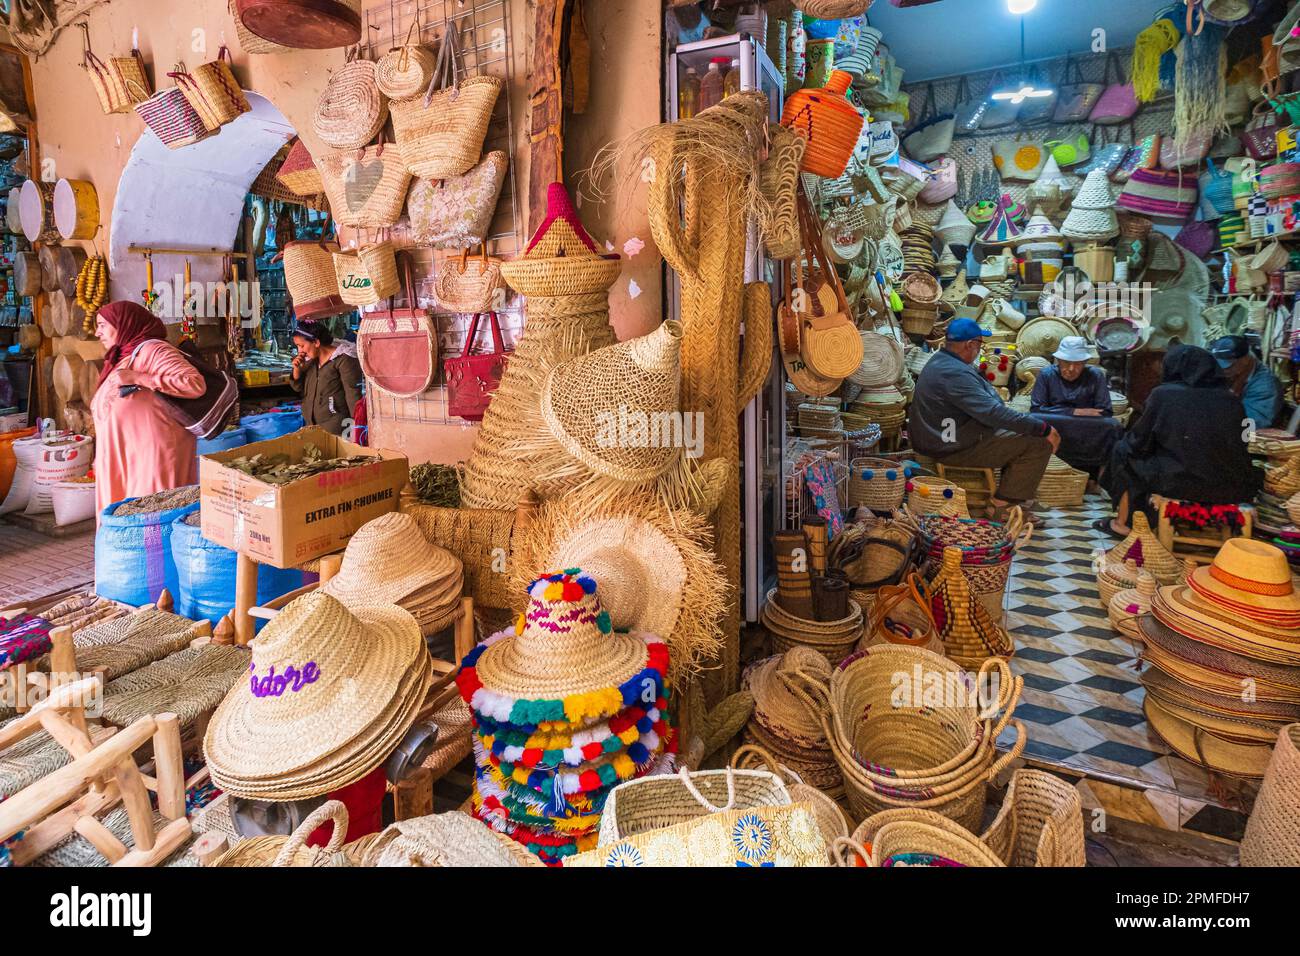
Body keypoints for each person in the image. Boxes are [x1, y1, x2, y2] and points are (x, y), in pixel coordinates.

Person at [1099, 344, 1260, 537]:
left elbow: (1140, 441)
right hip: (1231, 485)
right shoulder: (1231, 399)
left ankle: (1122, 524)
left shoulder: (1164, 395)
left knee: (1123, 452)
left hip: (1181, 483)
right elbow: (1242, 442)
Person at [909, 318, 1060, 521]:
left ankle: (1018, 498)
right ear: (970, 345)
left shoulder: (945, 362)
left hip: (952, 438)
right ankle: (1002, 506)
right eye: (980, 343)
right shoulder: (953, 372)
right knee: (1038, 442)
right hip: (952, 447)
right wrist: (1043, 428)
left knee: (1021, 430)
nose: (981, 348)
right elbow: (992, 413)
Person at [90, 301, 206, 520]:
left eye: (102, 325)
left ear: (124, 324)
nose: (97, 332)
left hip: (152, 459)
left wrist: (139, 378)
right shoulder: (122, 357)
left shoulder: (153, 350)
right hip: (123, 459)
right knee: (125, 531)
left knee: (152, 527)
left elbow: (194, 383)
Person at [1030, 336, 1124, 484]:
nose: (1071, 369)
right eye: (1066, 363)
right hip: (1057, 421)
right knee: (1035, 419)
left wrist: (1078, 414)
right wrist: (1073, 412)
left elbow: (1105, 411)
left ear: (1085, 363)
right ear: (1058, 361)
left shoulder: (1095, 375)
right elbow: (1036, 408)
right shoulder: (1047, 374)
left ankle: (1101, 480)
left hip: (1085, 424)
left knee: (1113, 425)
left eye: (1078, 364)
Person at [289, 319, 363, 436]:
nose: (300, 351)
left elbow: (353, 394)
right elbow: (298, 388)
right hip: (312, 425)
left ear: (316, 342)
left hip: (337, 428)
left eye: (302, 345)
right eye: (297, 346)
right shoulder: (310, 360)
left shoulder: (344, 359)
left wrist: (358, 427)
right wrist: (297, 369)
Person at [1209, 335, 1282, 433]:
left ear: (1245, 360)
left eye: (1226, 365)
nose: (1221, 370)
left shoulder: (1266, 387)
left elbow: (1250, 427)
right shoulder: (1230, 372)